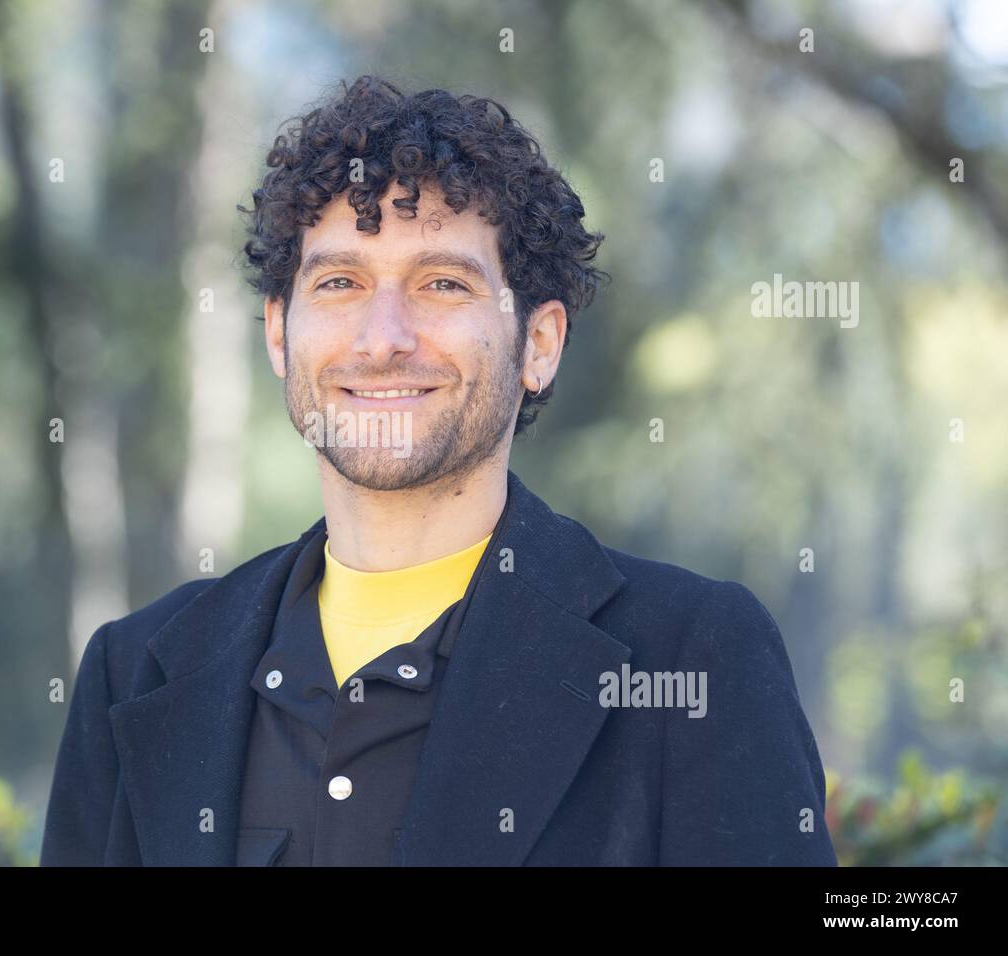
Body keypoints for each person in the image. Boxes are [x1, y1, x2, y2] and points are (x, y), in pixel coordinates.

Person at [41, 75, 836, 867]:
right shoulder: (135, 672)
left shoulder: (689, 659)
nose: (382, 337)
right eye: (341, 282)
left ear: (540, 344)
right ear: (280, 333)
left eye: (443, 283)